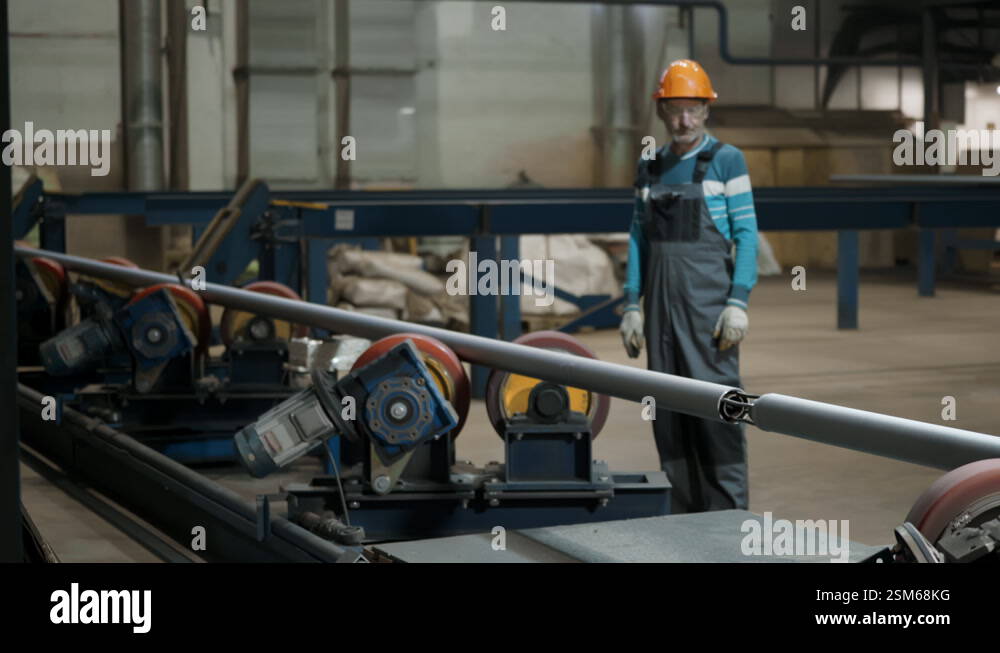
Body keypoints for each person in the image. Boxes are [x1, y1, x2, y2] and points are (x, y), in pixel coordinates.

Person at [620, 59, 758, 513]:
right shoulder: (651, 166)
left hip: (707, 312)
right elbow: (638, 236)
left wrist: (737, 302)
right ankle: (682, 517)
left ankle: (729, 517)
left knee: (717, 412)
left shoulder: (726, 161)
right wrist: (632, 305)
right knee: (669, 413)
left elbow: (746, 236)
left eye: (693, 110)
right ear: (661, 111)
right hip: (659, 312)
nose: (684, 120)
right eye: (675, 109)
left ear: (706, 111)